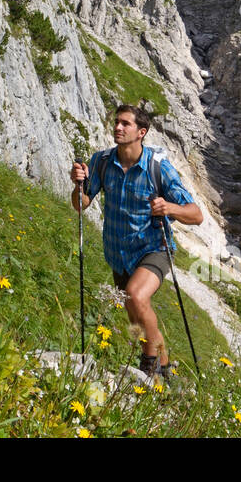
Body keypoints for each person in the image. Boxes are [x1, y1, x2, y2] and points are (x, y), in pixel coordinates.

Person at [70, 104, 203, 381]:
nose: (117, 127)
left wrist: (169, 208)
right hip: (119, 254)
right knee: (135, 313)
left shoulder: (157, 167)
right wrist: (78, 185)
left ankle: (149, 364)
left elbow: (196, 214)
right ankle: (165, 371)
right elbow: (81, 205)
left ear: (141, 132)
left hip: (154, 249)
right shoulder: (102, 162)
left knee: (136, 296)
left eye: (125, 124)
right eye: (116, 122)